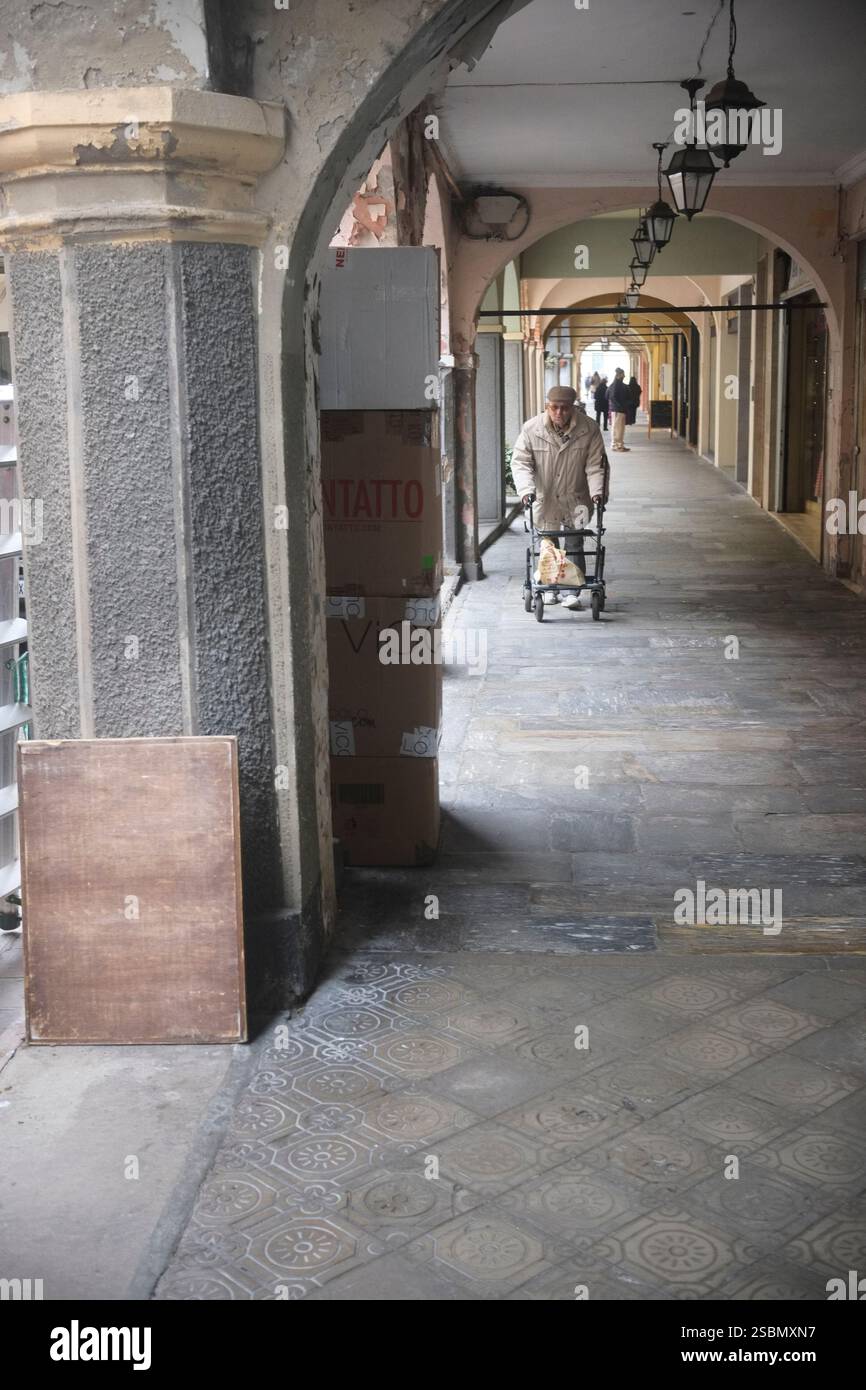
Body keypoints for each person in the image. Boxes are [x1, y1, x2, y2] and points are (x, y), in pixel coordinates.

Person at [511, 385, 607, 608]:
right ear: (547, 406)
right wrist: (526, 490)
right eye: (554, 407)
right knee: (548, 542)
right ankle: (550, 587)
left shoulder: (589, 429)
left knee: (574, 541)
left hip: (577, 497)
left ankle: (572, 590)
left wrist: (597, 493)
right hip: (544, 498)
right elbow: (521, 463)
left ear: (573, 407)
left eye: (564, 408)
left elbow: (596, 466)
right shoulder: (532, 428)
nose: (559, 412)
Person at [608, 367, 631, 452]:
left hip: (620, 409)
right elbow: (611, 396)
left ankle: (620, 444)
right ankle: (616, 445)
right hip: (618, 410)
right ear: (619, 375)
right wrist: (619, 405)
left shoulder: (614, 385)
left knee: (620, 429)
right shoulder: (616, 385)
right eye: (623, 374)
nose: (624, 376)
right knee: (617, 428)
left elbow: (607, 395)